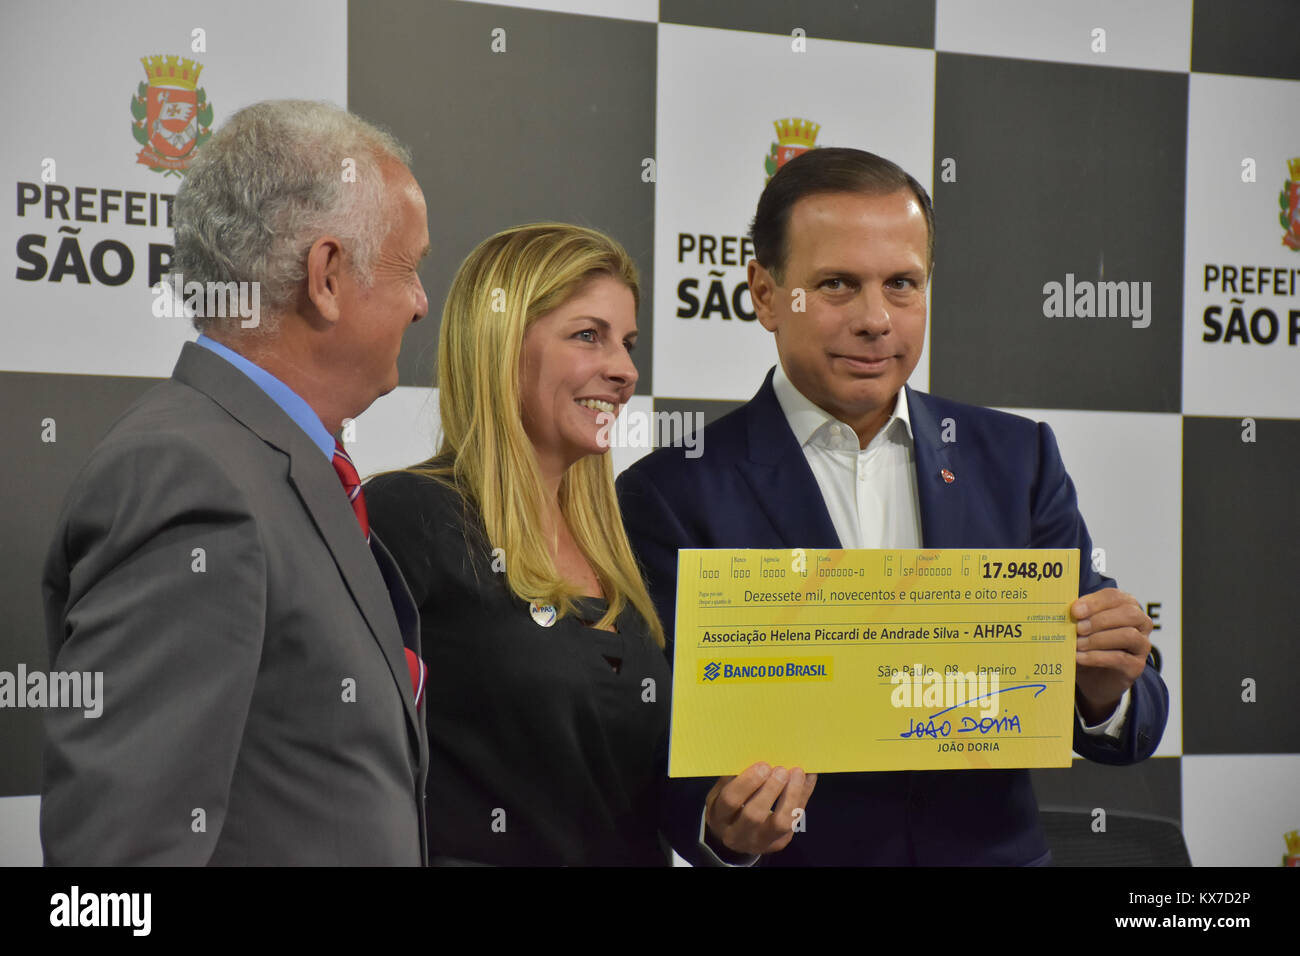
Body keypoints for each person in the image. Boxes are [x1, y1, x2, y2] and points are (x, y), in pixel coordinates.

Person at [616, 147, 1169, 866]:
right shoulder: (670, 491)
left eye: (902, 284)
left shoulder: (1018, 459)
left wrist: (1102, 690)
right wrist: (722, 827)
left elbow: (1130, 715)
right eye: (839, 285)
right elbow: (646, 744)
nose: (876, 319)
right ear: (765, 293)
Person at [40, 100, 431, 865]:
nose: (421, 302)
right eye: (409, 267)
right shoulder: (189, 477)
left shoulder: (265, 459)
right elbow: (115, 869)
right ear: (325, 277)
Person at [364, 222, 815, 865]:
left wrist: (724, 830)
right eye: (588, 336)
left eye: (627, 343)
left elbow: (639, 789)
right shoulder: (408, 518)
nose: (625, 371)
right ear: (499, 345)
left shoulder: (623, 544)